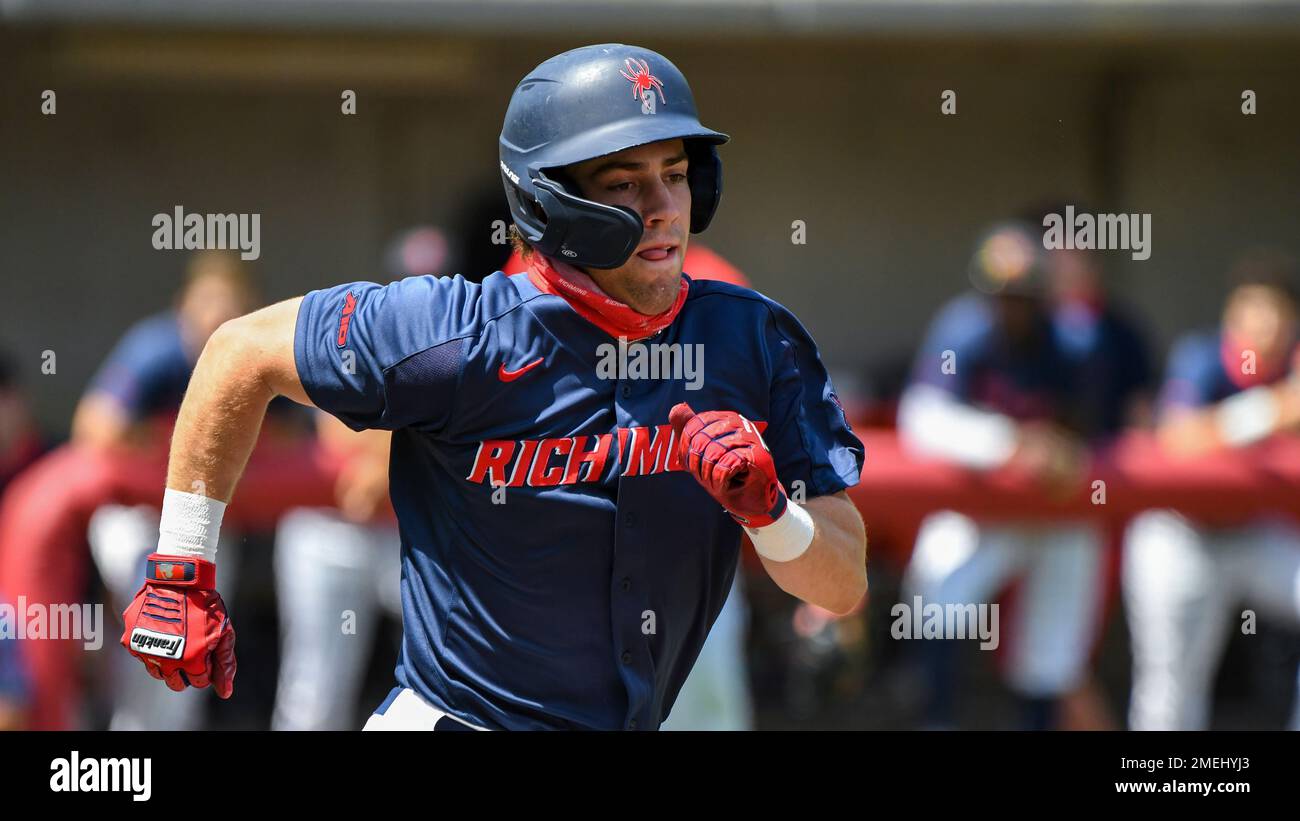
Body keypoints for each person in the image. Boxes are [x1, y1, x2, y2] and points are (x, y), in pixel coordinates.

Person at [119, 43, 867, 731]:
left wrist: (771, 515)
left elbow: (842, 582)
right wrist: (182, 567)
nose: (664, 206)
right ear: (551, 201)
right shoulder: (460, 331)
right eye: (625, 182)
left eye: (674, 174)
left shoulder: (751, 339)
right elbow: (238, 352)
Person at [898, 220, 1108, 729]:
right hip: (981, 505)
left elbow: (1092, 436)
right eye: (1001, 295)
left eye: (1023, 296)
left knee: (1052, 647)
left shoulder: (1072, 340)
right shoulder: (964, 327)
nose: (1010, 306)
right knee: (934, 596)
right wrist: (1010, 443)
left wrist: (1059, 450)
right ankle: (938, 720)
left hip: (1054, 510)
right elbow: (921, 417)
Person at [77, 251, 259, 730]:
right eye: (205, 306)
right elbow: (93, 426)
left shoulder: (253, 354)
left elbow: (303, 438)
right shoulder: (155, 348)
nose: (215, 319)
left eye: (229, 309)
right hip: (134, 517)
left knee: (193, 655)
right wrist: (169, 445)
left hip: (208, 527)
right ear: (183, 307)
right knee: (154, 632)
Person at [1123, 248, 1300, 730]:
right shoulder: (1202, 358)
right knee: (1170, 692)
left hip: (1256, 534)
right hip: (1179, 535)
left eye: (1276, 311)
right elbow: (1178, 441)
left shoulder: (1292, 370)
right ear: (1231, 316)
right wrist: (1268, 412)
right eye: (1252, 309)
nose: (1264, 324)